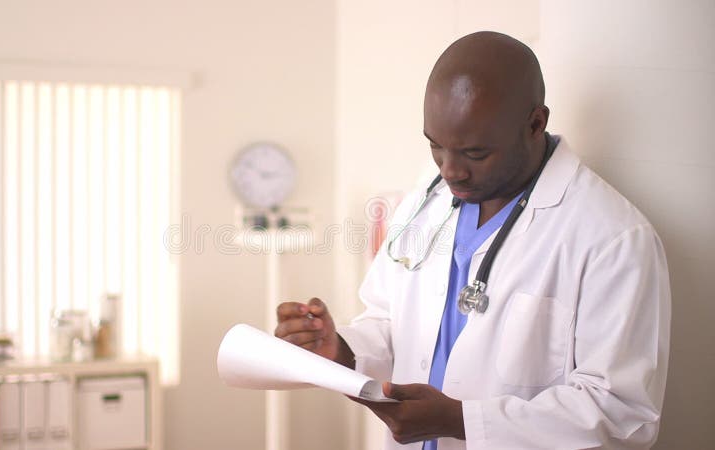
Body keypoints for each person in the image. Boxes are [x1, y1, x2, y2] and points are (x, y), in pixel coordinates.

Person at [275, 31, 670, 449]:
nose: (450, 171)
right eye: (435, 147)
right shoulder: (429, 198)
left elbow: (621, 415)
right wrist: (339, 349)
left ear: (535, 124)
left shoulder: (613, 239)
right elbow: (391, 325)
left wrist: (462, 421)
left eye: (475, 154)